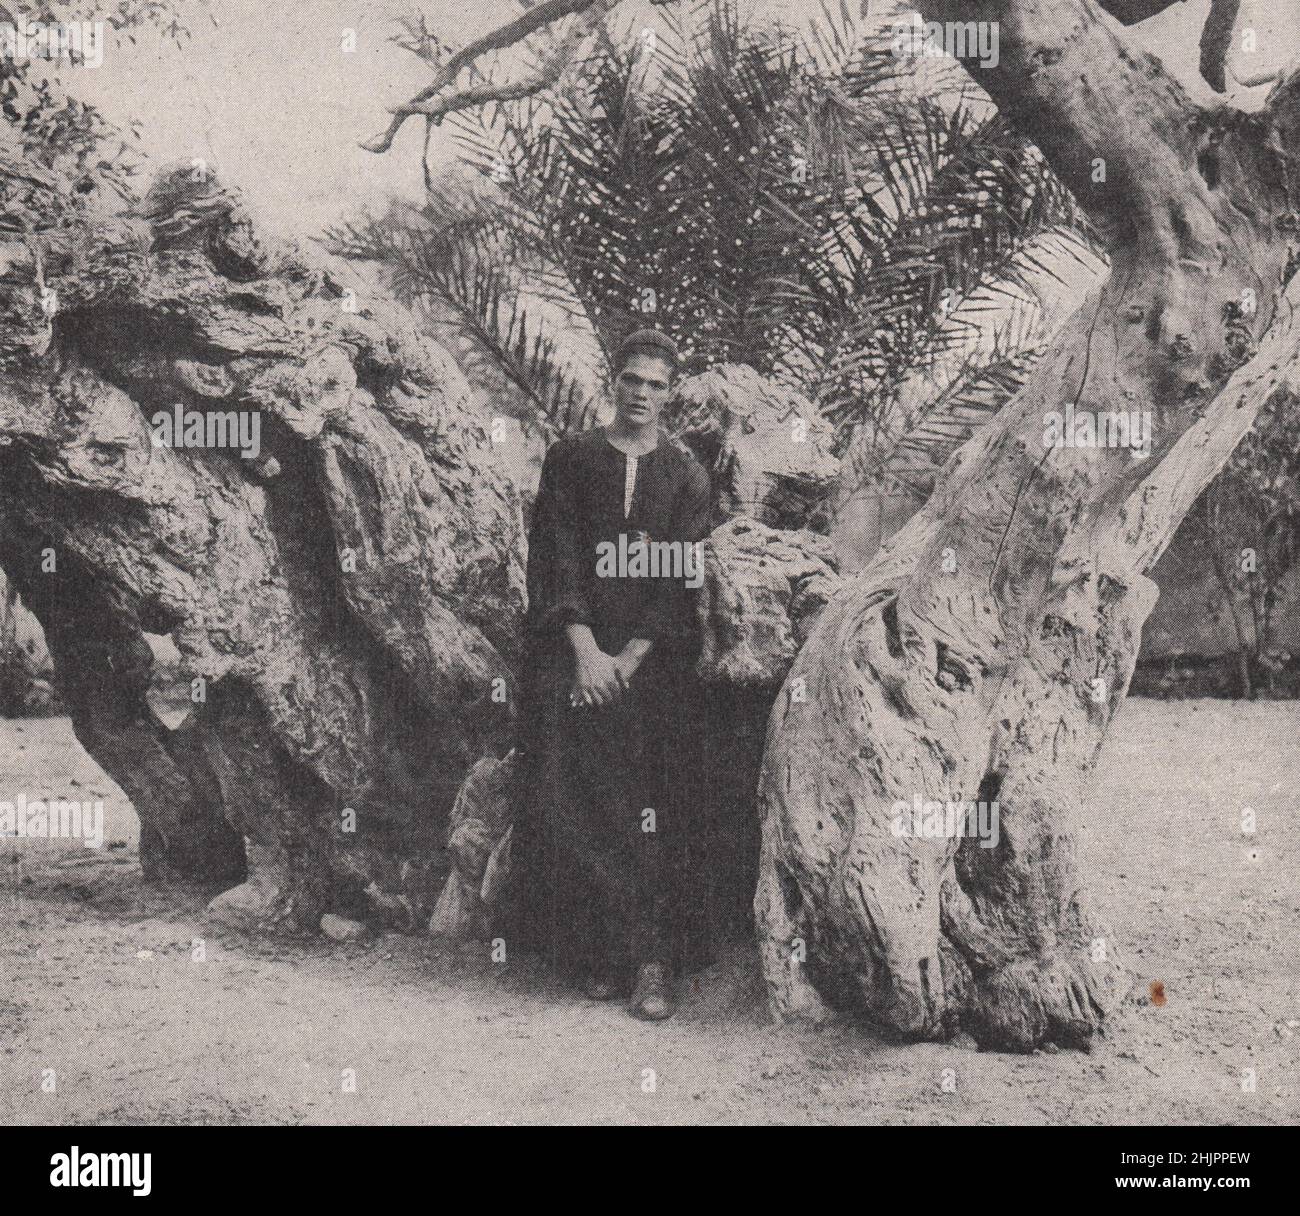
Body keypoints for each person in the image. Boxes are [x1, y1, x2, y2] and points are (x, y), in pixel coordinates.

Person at [514, 329, 712, 1021]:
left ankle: (652, 964)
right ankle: (597, 950)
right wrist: (585, 650)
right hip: (570, 657)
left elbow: (681, 575)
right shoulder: (571, 460)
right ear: (614, 380)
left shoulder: (685, 475)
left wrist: (626, 658)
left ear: (671, 393)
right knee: (568, 797)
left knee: (652, 808)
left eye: (657, 384)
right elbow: (554, 555)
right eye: (633, 379)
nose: (642, 394)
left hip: (651, 668)